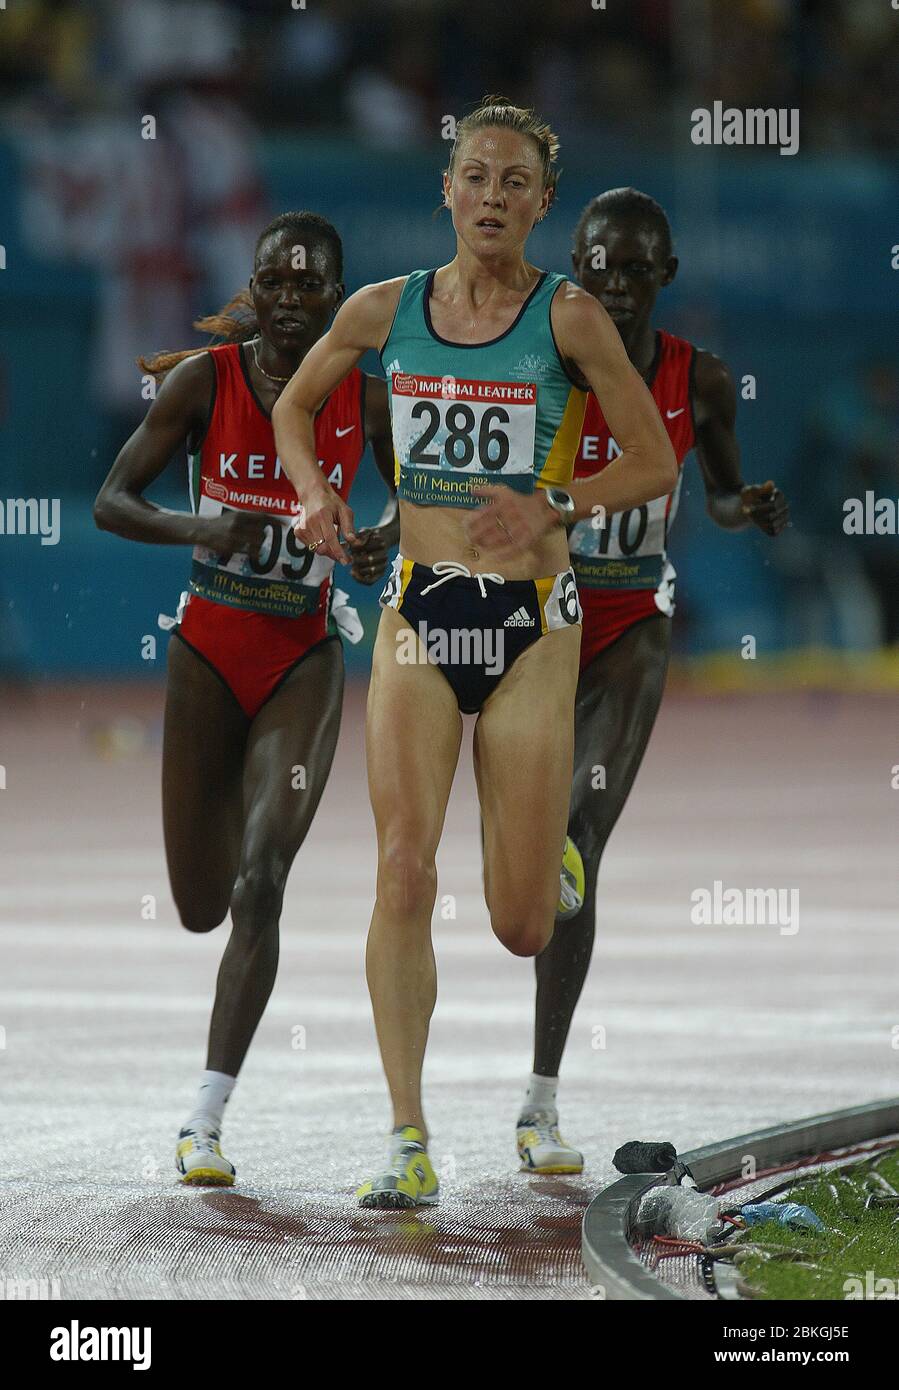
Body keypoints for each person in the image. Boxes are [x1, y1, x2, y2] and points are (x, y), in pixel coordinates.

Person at [272, 102, 677, 1208]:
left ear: (542, 205)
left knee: (518, 923)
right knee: (402, 867)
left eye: (514, 183)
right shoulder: (381, 308)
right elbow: (294, 409)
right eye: (474, 177)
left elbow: (650, 466)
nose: (491, 197)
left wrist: (550, 500)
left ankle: (544, 856)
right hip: (418, 614)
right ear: (444, 191)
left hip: (530, 626)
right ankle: (407, 1136)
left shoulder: (570, 317)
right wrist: (314, 499)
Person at [93, 211, 398, 1185]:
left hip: (302, 658)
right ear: (255, 290)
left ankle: (204, 1120)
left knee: (260, 881)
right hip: (205, 657)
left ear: (339, 298)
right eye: (276, 282)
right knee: (196, 904)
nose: (292, 299)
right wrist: (199, 528)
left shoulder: (364, 395)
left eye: (313, 286)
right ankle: (221, 844)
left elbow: (415, 506)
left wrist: (379, 540)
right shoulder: (205, 381)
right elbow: (113, 499)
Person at [517, 188, 790, 1174]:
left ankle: (540, 1102)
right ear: (573, 267)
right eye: (598, 266)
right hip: (532, 623)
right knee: (526, 869)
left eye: (636, 269)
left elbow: (712, 487)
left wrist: (735, 503)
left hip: (630, 620)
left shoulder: (697, 377)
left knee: (578, 844)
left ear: (662, 277)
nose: (616, 285)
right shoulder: (534, 362)